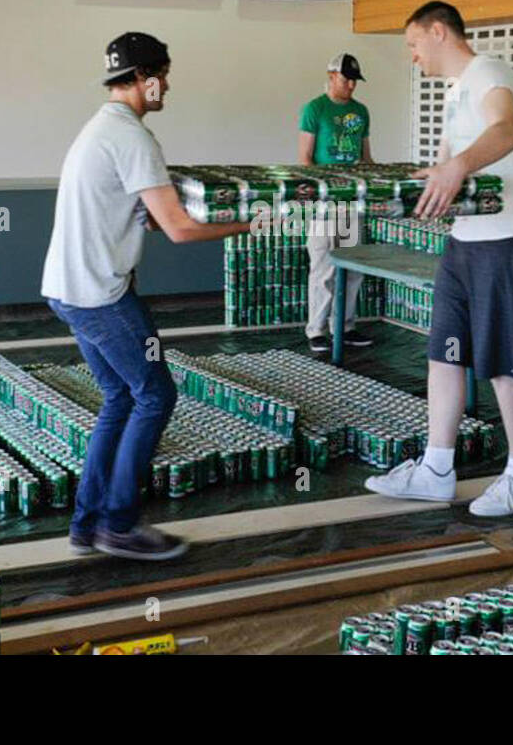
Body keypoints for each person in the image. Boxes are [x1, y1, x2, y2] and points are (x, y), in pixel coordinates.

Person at [42, 32, 250, 561]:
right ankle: (118, 524)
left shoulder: (100, 129)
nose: (167, 87)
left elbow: (145, 217)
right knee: (156, 395)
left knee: (119, 398)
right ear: (142, 78)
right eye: (164, 75)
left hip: (68, 290)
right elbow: (180, 230)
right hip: (102, 295)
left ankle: (87, 525)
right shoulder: (133, 137)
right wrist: (249, 223)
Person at [365, 1, 513, 517]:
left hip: (508, 242)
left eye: (413, 44)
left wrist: (458, 167)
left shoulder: (488, 72)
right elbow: (450, 168)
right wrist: (432, 181)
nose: (412, 56)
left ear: (439, 32)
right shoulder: (454, 92)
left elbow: (506, 130)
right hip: (467, 241)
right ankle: (437, 468)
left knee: (504, 363)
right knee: (445, 352)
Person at [298, 53, 374, 352]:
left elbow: (366, 156)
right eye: (346, 79)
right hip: (325, 200)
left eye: (355, 80)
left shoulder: (362, 111)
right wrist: (319, 190)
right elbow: (305, 159)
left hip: (352, 200)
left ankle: (345, 325)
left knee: (353, 266)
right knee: (323, 266)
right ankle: (316, 329)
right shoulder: (315, 109)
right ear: (331, 76)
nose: (351, 85)